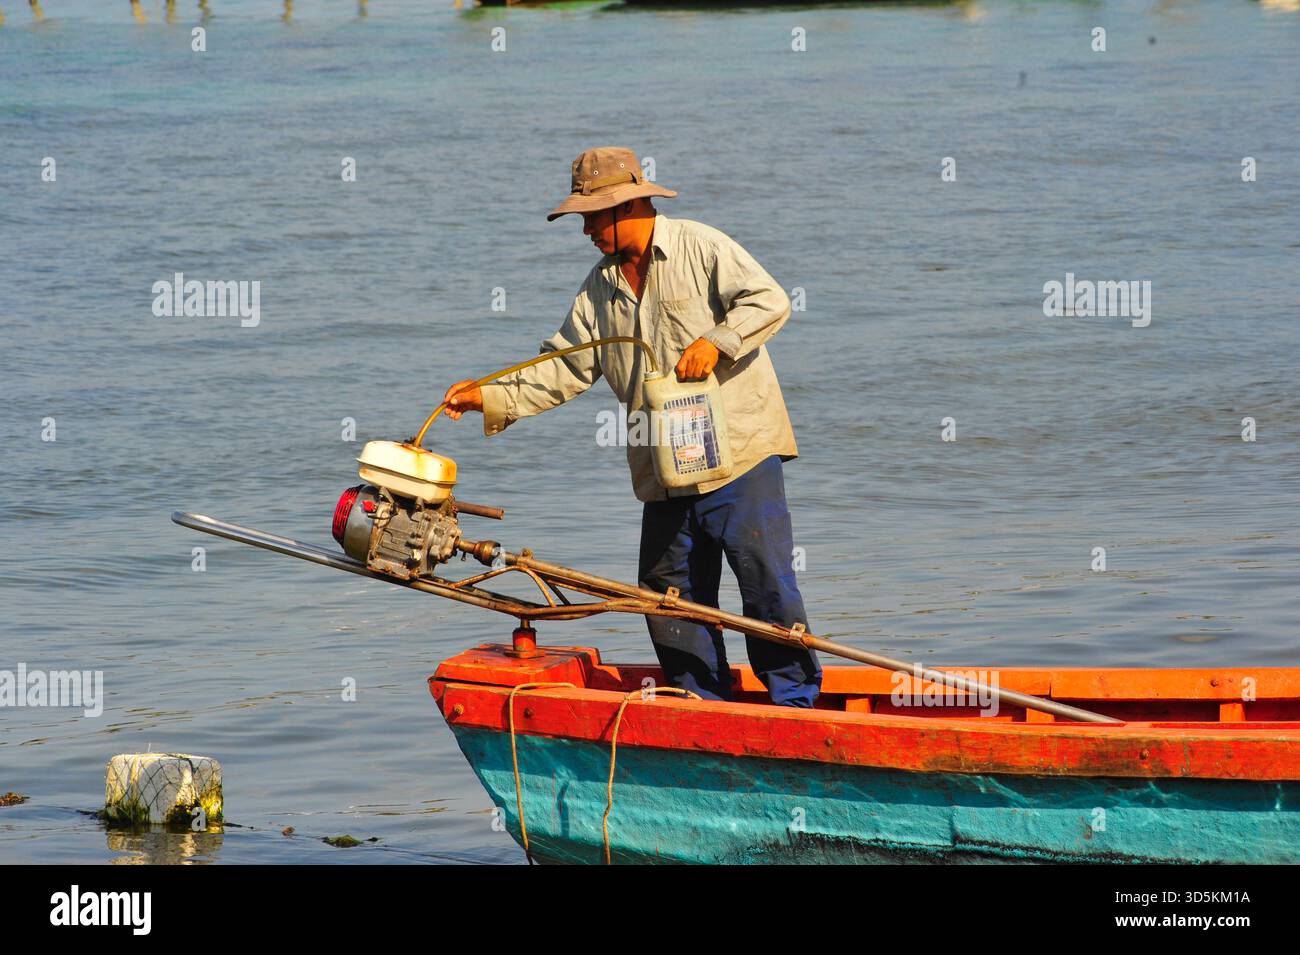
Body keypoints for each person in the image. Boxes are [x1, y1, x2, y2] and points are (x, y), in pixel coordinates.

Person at [441, 146, 821, 707]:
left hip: (740, 455)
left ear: (630, 206)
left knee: (765, 584)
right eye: (583, 219)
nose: (587, 230)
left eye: (593, 217)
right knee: (667, 598)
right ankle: (700, 706)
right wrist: (489, 396)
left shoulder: (700, 246)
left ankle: (795, 704)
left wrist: (717, 343)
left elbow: (768, 300)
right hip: (664, 469)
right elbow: (565, 366)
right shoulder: (600, 289)